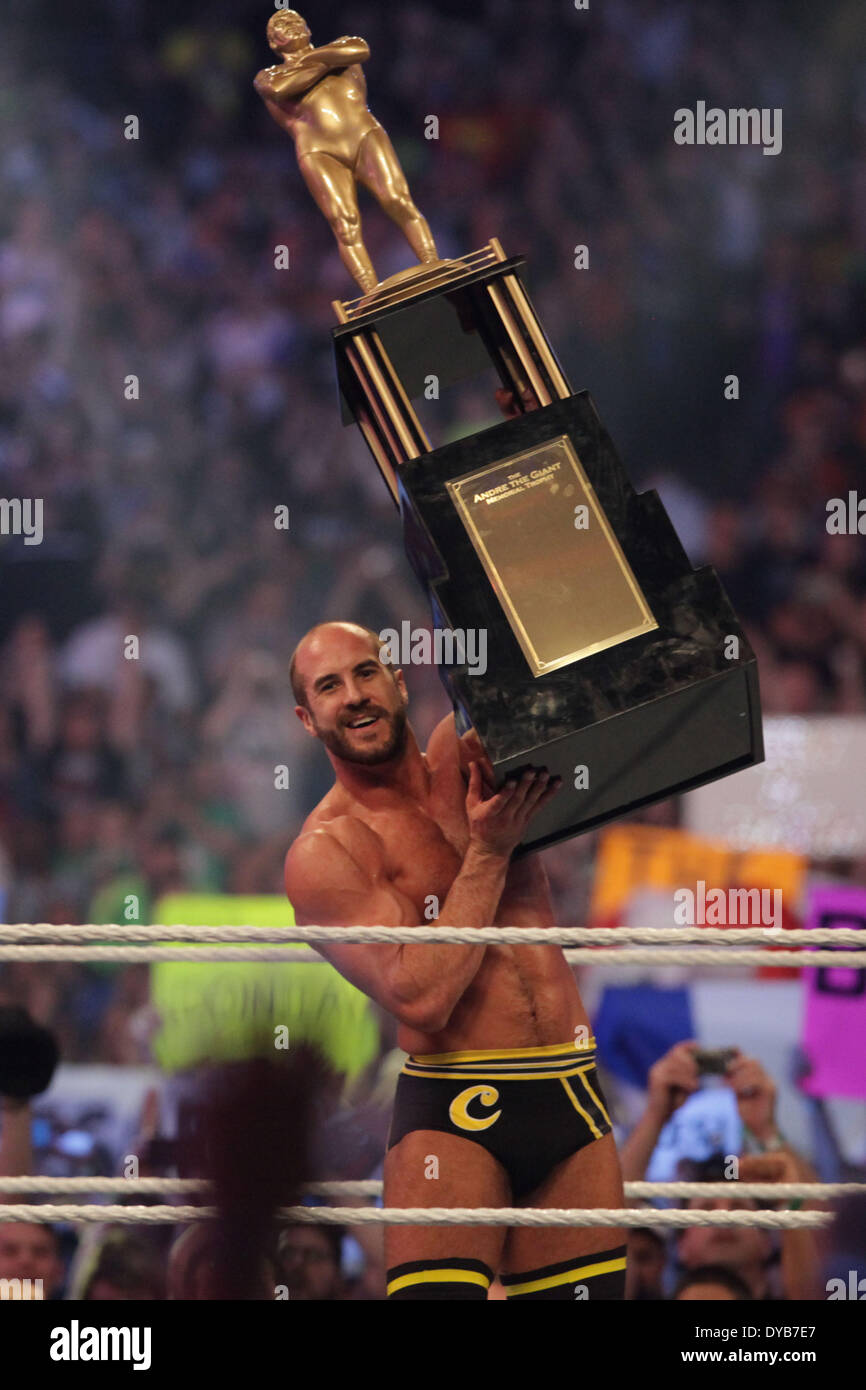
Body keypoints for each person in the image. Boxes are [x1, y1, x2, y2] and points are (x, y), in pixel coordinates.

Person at [284, 621, 626, 1300]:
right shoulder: (328, 852)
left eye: (366, 672)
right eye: (329, 686)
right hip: (455, 1106)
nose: (354, 696)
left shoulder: (468, 751)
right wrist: (490, 852)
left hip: (571, 1089)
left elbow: (577, 692)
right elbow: (422, 996)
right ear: (306, 718)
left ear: (399, 679)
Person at [254, 10, 441, 293]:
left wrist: (309, 62)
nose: (290, 24)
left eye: (295, 20)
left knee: (397, 199)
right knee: (345, 223)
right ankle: (372, 292)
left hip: (364, 134)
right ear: (274, 43)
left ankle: (433, 265)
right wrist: (326, 61)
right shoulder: (269, 75)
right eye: (280, 25)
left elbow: (360, 49)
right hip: (319, 151)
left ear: (308, 27)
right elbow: (283, 88)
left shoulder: (344, 43)